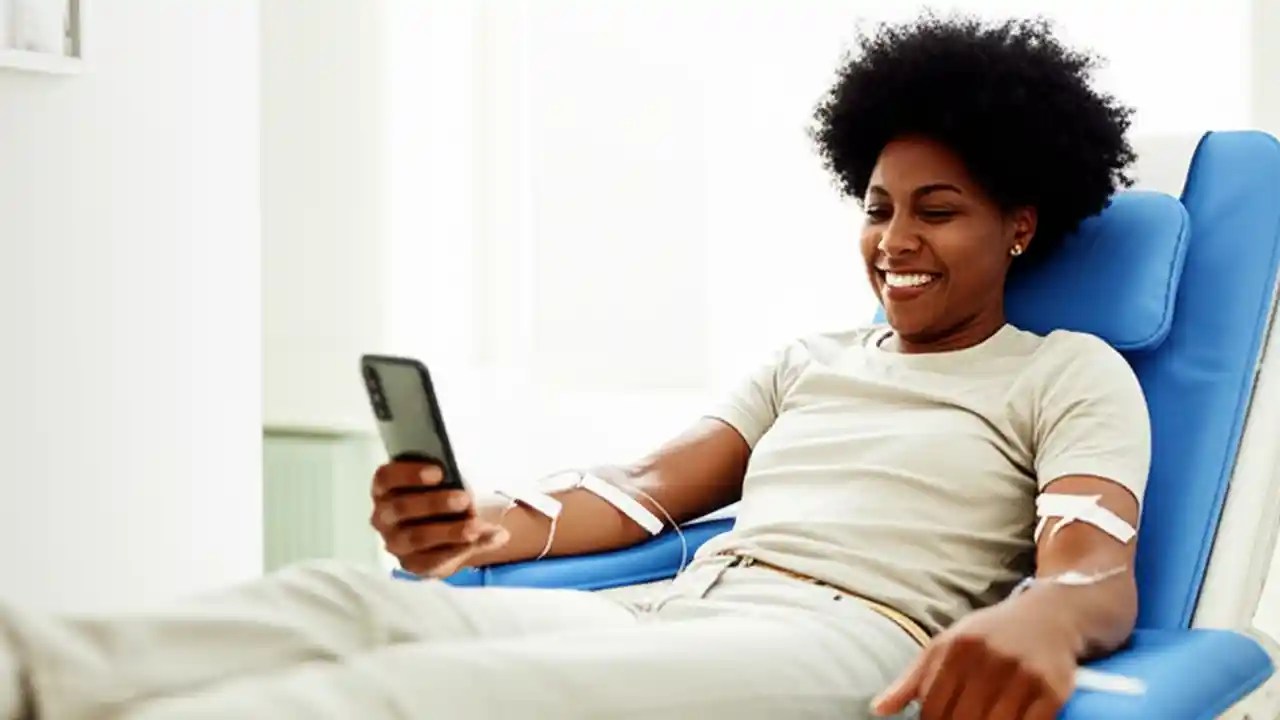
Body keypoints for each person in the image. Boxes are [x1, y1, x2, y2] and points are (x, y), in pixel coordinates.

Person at [1, 13, 1148, 720]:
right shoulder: (810, 360)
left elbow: (1091, 567)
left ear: (1017, 225)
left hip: (847, 640)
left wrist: (1041, 618)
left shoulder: (1064, 372)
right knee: (337, 601)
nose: (893, 242)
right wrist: (482, 522)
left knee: (414, 702)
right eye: (876, 208)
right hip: (679, 608)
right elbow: (643, 488)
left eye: (936, 212)